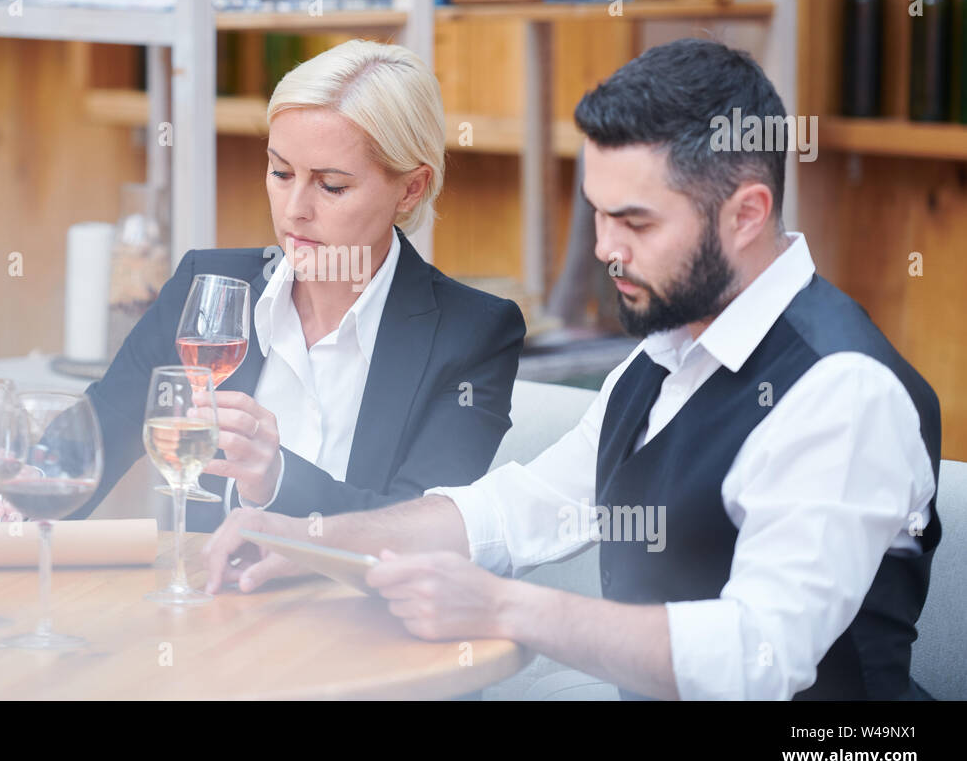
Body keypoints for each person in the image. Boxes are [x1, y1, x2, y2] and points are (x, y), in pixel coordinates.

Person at [202, 38, 942, 701]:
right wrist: (319, 537)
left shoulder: (844, 390)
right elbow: (514, 510)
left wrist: (503, 609)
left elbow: (758, 658)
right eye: (597, 213)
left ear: (746, 214)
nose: (605, 249)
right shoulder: (664, 359)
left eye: (636, 221)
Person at [46, 38, 527, 531]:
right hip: (201, 604)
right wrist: (1, 502)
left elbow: (424, 535)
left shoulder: (473, 334)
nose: (295, 208)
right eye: (280, 172)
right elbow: (83, 451)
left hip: (355, 609)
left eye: (331, 185)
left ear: (411, 188)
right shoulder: (207, 287)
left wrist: (278, 480)